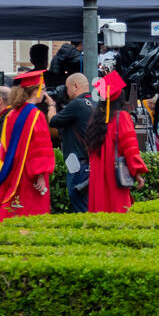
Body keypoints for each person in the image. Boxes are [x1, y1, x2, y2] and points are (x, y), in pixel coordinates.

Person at [0, 69, 55, 219]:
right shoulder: (36, 115)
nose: (44, 93)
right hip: (31, 176)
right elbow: (39, 148)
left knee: (13, 209)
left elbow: (4, 146)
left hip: (13, 170)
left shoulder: (11, 114)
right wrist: (41, 174)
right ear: (36, 90)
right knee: (31, 211)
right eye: (43, 88)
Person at [86, 70, 146, 212]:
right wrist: (137, 173)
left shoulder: (95, 119)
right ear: (120, 97)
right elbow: (129, 148)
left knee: (99, 211)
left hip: (98, 176)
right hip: (115, 176)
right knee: (117, 209)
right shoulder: (122, 117)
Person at [48, 72, 94, 212]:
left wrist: (51, 105)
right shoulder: (94, 103)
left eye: (67, 89)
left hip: (78, 167)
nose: (66, 93)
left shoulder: (77, 104)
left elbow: (53, 121)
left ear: (75, 86)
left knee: (81, 209)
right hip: (90, 165)